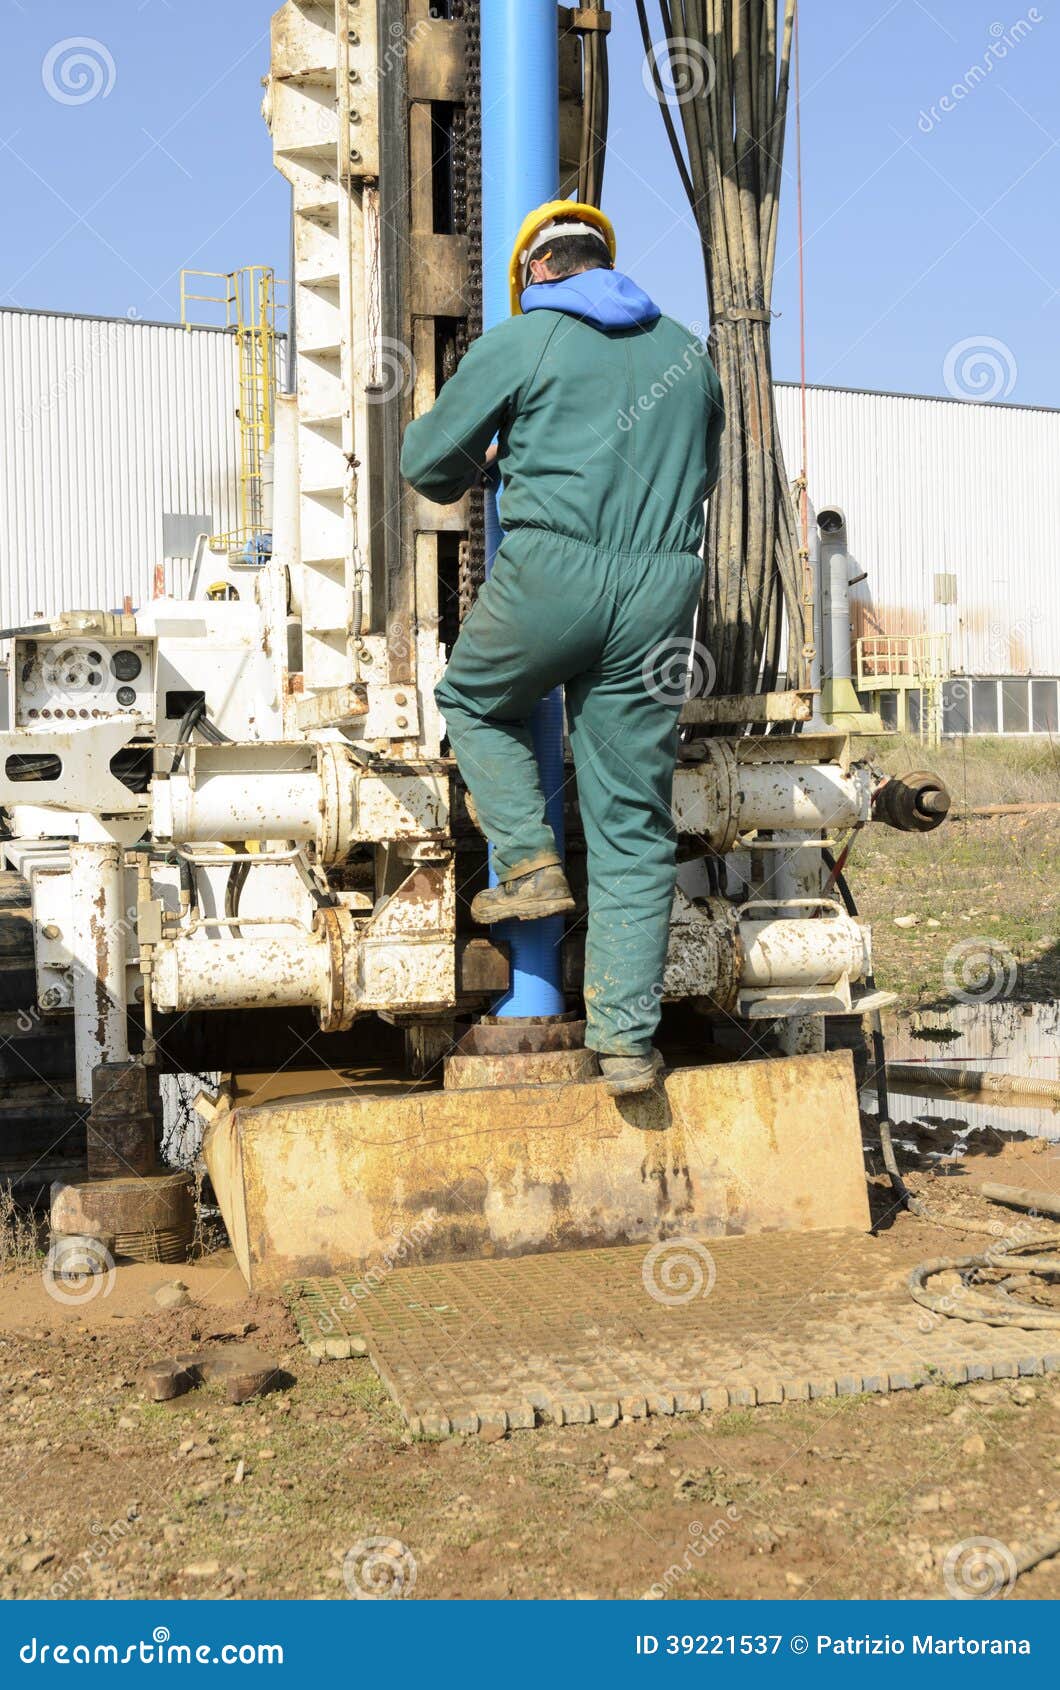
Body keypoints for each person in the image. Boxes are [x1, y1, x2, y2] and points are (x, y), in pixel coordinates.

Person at [400, 201, 725, 1095]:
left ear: (539, 271)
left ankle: (531, 863)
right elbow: (699, 474)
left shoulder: (525, 337)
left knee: (473, 698)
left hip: (555, 573)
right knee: (633, 821)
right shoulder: (688, 353)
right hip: (662, 588)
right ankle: (626, 1047)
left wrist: (496, 455)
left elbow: (428, 464)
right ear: (603, 263)